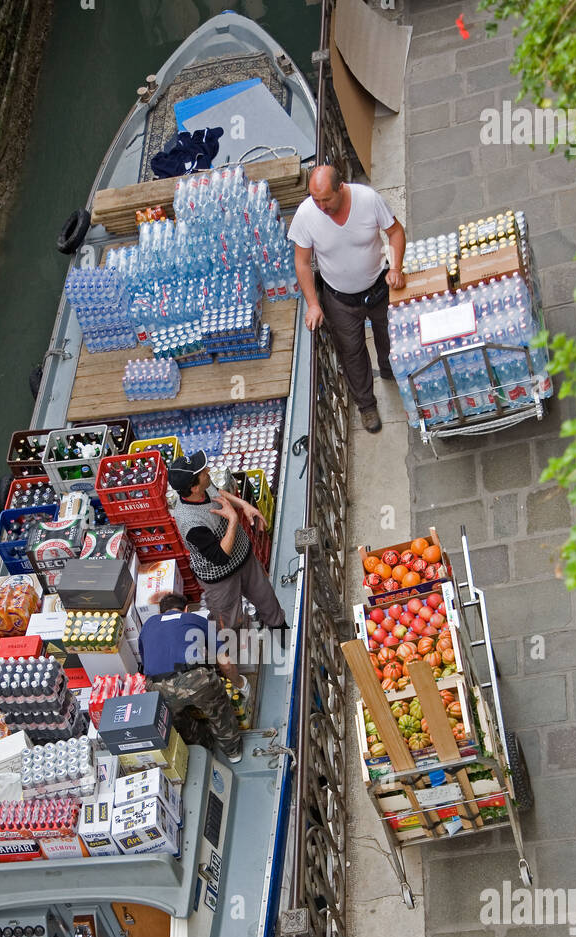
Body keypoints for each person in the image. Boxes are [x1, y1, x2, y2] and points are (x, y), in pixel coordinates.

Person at [288, 164, 406, 434]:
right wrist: (313, 304)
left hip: (378, 286)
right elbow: (303, 263)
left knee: (390, 335)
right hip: (339, 298)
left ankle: (391, 370)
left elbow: (395, 232)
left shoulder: (368, 200)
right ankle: (366, 405)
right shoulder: (307, 215)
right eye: (315, 200)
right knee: (352, 353)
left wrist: (396, 268)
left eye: (326, 199)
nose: (321, 206)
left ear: (341, 187)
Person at [167, 451, 287, 639]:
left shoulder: (203, 488)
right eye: (202, 472)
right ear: (193, 488)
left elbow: (218, 494)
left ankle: (282, 633)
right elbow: (221, 556)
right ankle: (234, 660)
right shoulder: (191, 523)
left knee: (267, 599)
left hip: (243, 558)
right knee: (230, 624)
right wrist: (233, 519)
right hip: (220, 579)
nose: (208, 470)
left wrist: (244, 505)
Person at [138, 592, 245, 763]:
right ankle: (233, 753)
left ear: (160, 612)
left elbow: (147, 665)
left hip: (158, 687)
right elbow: (224, 662)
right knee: (219, 712)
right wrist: (239, 683)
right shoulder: (195, 620)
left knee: (179, 720)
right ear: (186, 609)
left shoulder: (147, 626)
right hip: (194, 680)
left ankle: (204, 749)